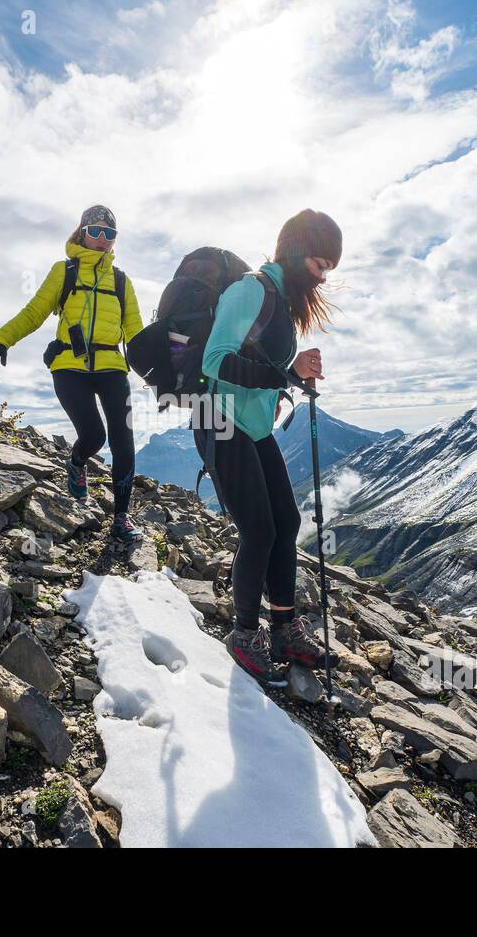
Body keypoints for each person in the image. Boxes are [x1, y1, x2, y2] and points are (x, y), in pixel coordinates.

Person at [199, 209, 342, 686]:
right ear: (299, 253)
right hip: (218, 420)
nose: (323, 277)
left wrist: (293, 375)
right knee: (259, 530)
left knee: (287, 521)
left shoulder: (280, 301)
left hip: (253, 424)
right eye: (321, 264)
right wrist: (286, 373)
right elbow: (215, 360)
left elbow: (261, 362)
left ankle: (283, 628)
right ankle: (243, 633)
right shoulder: (250, 290)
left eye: (329, 269)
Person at [0, 205, 144, 541]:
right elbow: (35, 312)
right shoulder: (65, 271)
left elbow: (136, 333)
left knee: (123, 439)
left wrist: (162, 371)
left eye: (110, 234)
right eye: (96, 231)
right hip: (69, 366)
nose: (103, 239)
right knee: (94, 436)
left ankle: (121, 517)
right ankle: (77, 461)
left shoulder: (121, 281)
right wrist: (2, 341)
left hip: (112, 367)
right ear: (82, 231)